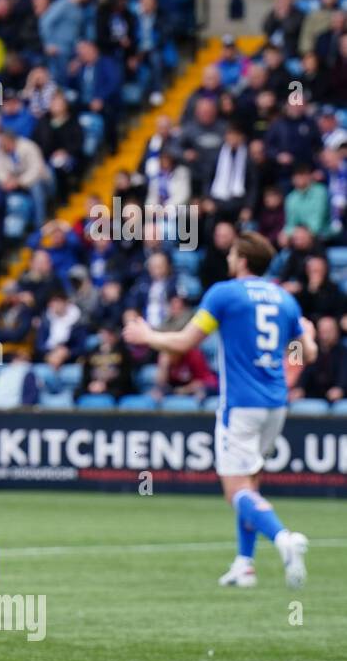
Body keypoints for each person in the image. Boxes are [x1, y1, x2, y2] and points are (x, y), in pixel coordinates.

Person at [124, 232, 315, 589]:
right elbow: (306, 353)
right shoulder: (285, 300)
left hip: (241, 405)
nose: (228, 258)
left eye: (231, 254)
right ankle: (245, 564)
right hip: (275, 405)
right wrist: (307, 340)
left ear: (242, 259)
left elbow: (184, 342)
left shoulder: (225, 294)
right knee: (251, 482)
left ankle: (283, 539)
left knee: (235, 491)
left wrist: (147, 335)